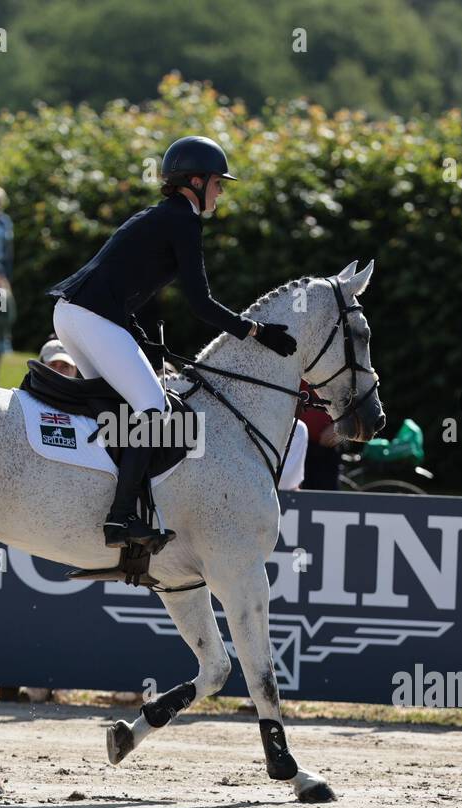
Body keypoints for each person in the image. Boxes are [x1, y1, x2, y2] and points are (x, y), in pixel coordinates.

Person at [46, 135, 296, 549]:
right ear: (195, 182)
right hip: (89, 317)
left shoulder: (162, 216)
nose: (220, 192)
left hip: (75, 315)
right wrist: (255, 330)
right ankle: (120, 518)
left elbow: (120, 280)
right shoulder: (184, 221)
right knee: (154, 407)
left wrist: (135, 333)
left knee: (120, 412)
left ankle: (106, 499)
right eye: (217, 183)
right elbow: (201, 303)